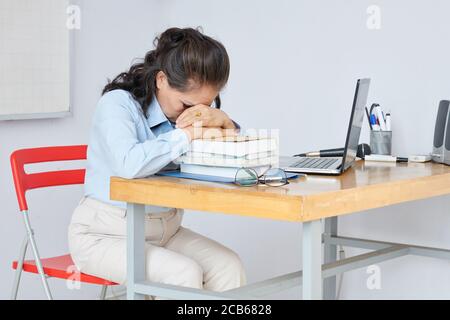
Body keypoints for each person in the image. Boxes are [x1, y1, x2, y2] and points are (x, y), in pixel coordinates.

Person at [68, 27, 246, 297]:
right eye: (187, 105)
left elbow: (227, 161)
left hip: (166, 231)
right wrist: (187, 135)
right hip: (105, 234)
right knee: (183, 273)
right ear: (162, 79)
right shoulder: (117, 105)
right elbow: (129, 164)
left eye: (205, 107)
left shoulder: (187, 117)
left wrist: (226, 124)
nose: (194, 115)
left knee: (228, 266)